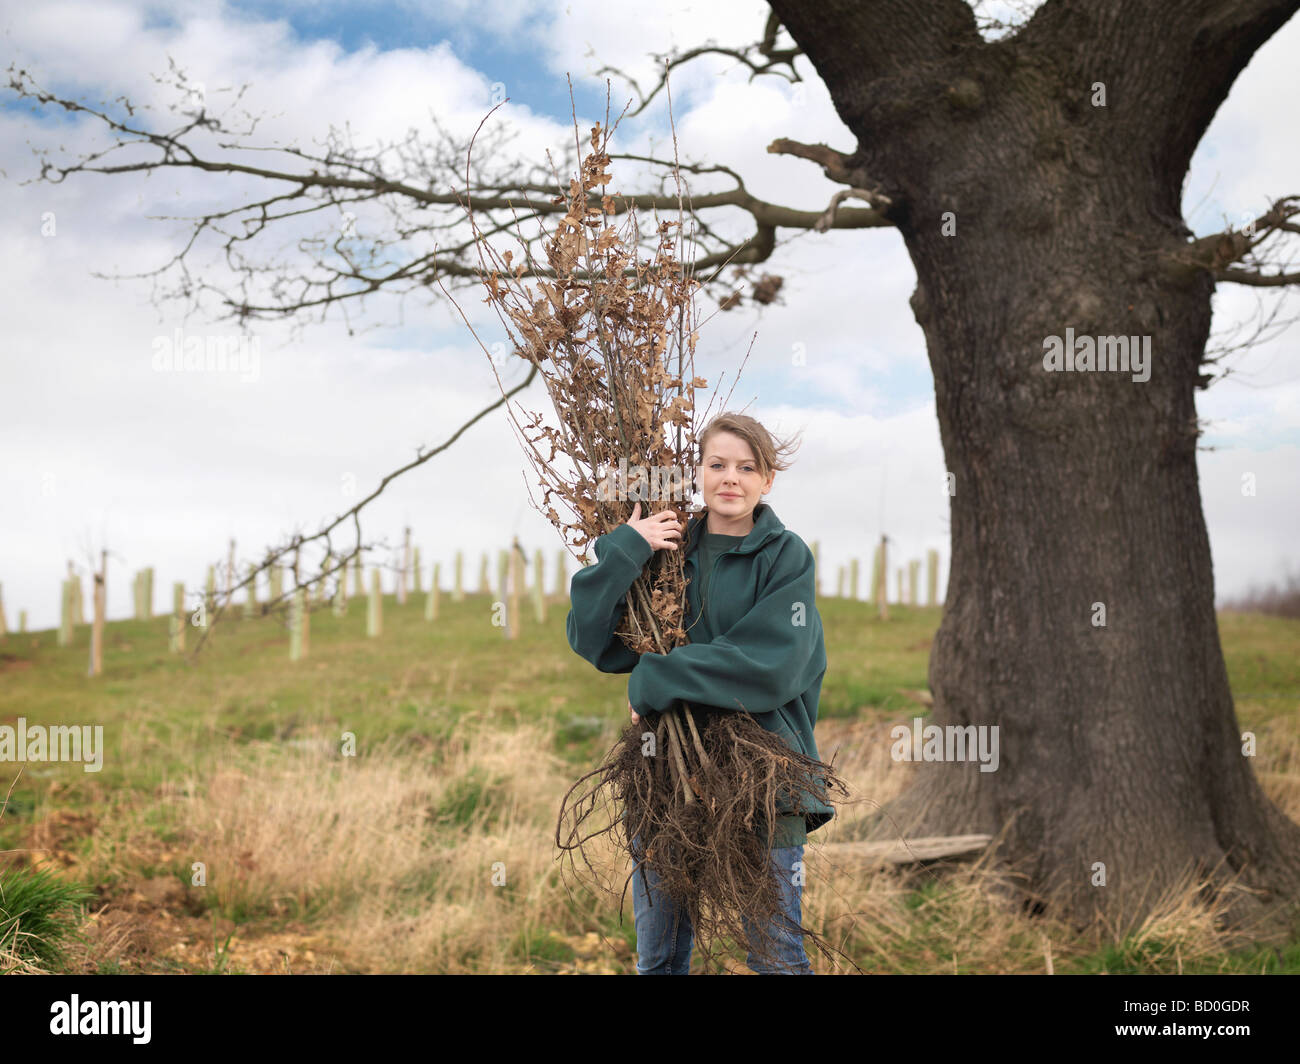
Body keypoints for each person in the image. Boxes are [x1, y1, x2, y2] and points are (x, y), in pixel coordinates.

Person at [565, 412, 833, 974]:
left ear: (768, 480)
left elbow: (773, 663)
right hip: (665, 769)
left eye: (746, 467)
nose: (730, 478)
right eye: (717, 465)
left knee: (775, 956)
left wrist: (657, 677)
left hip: (764, 777)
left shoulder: (786, 557)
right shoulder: (668, 551)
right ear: (699, 473)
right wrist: (625, 549)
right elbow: (593, 640)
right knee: (658, 959)